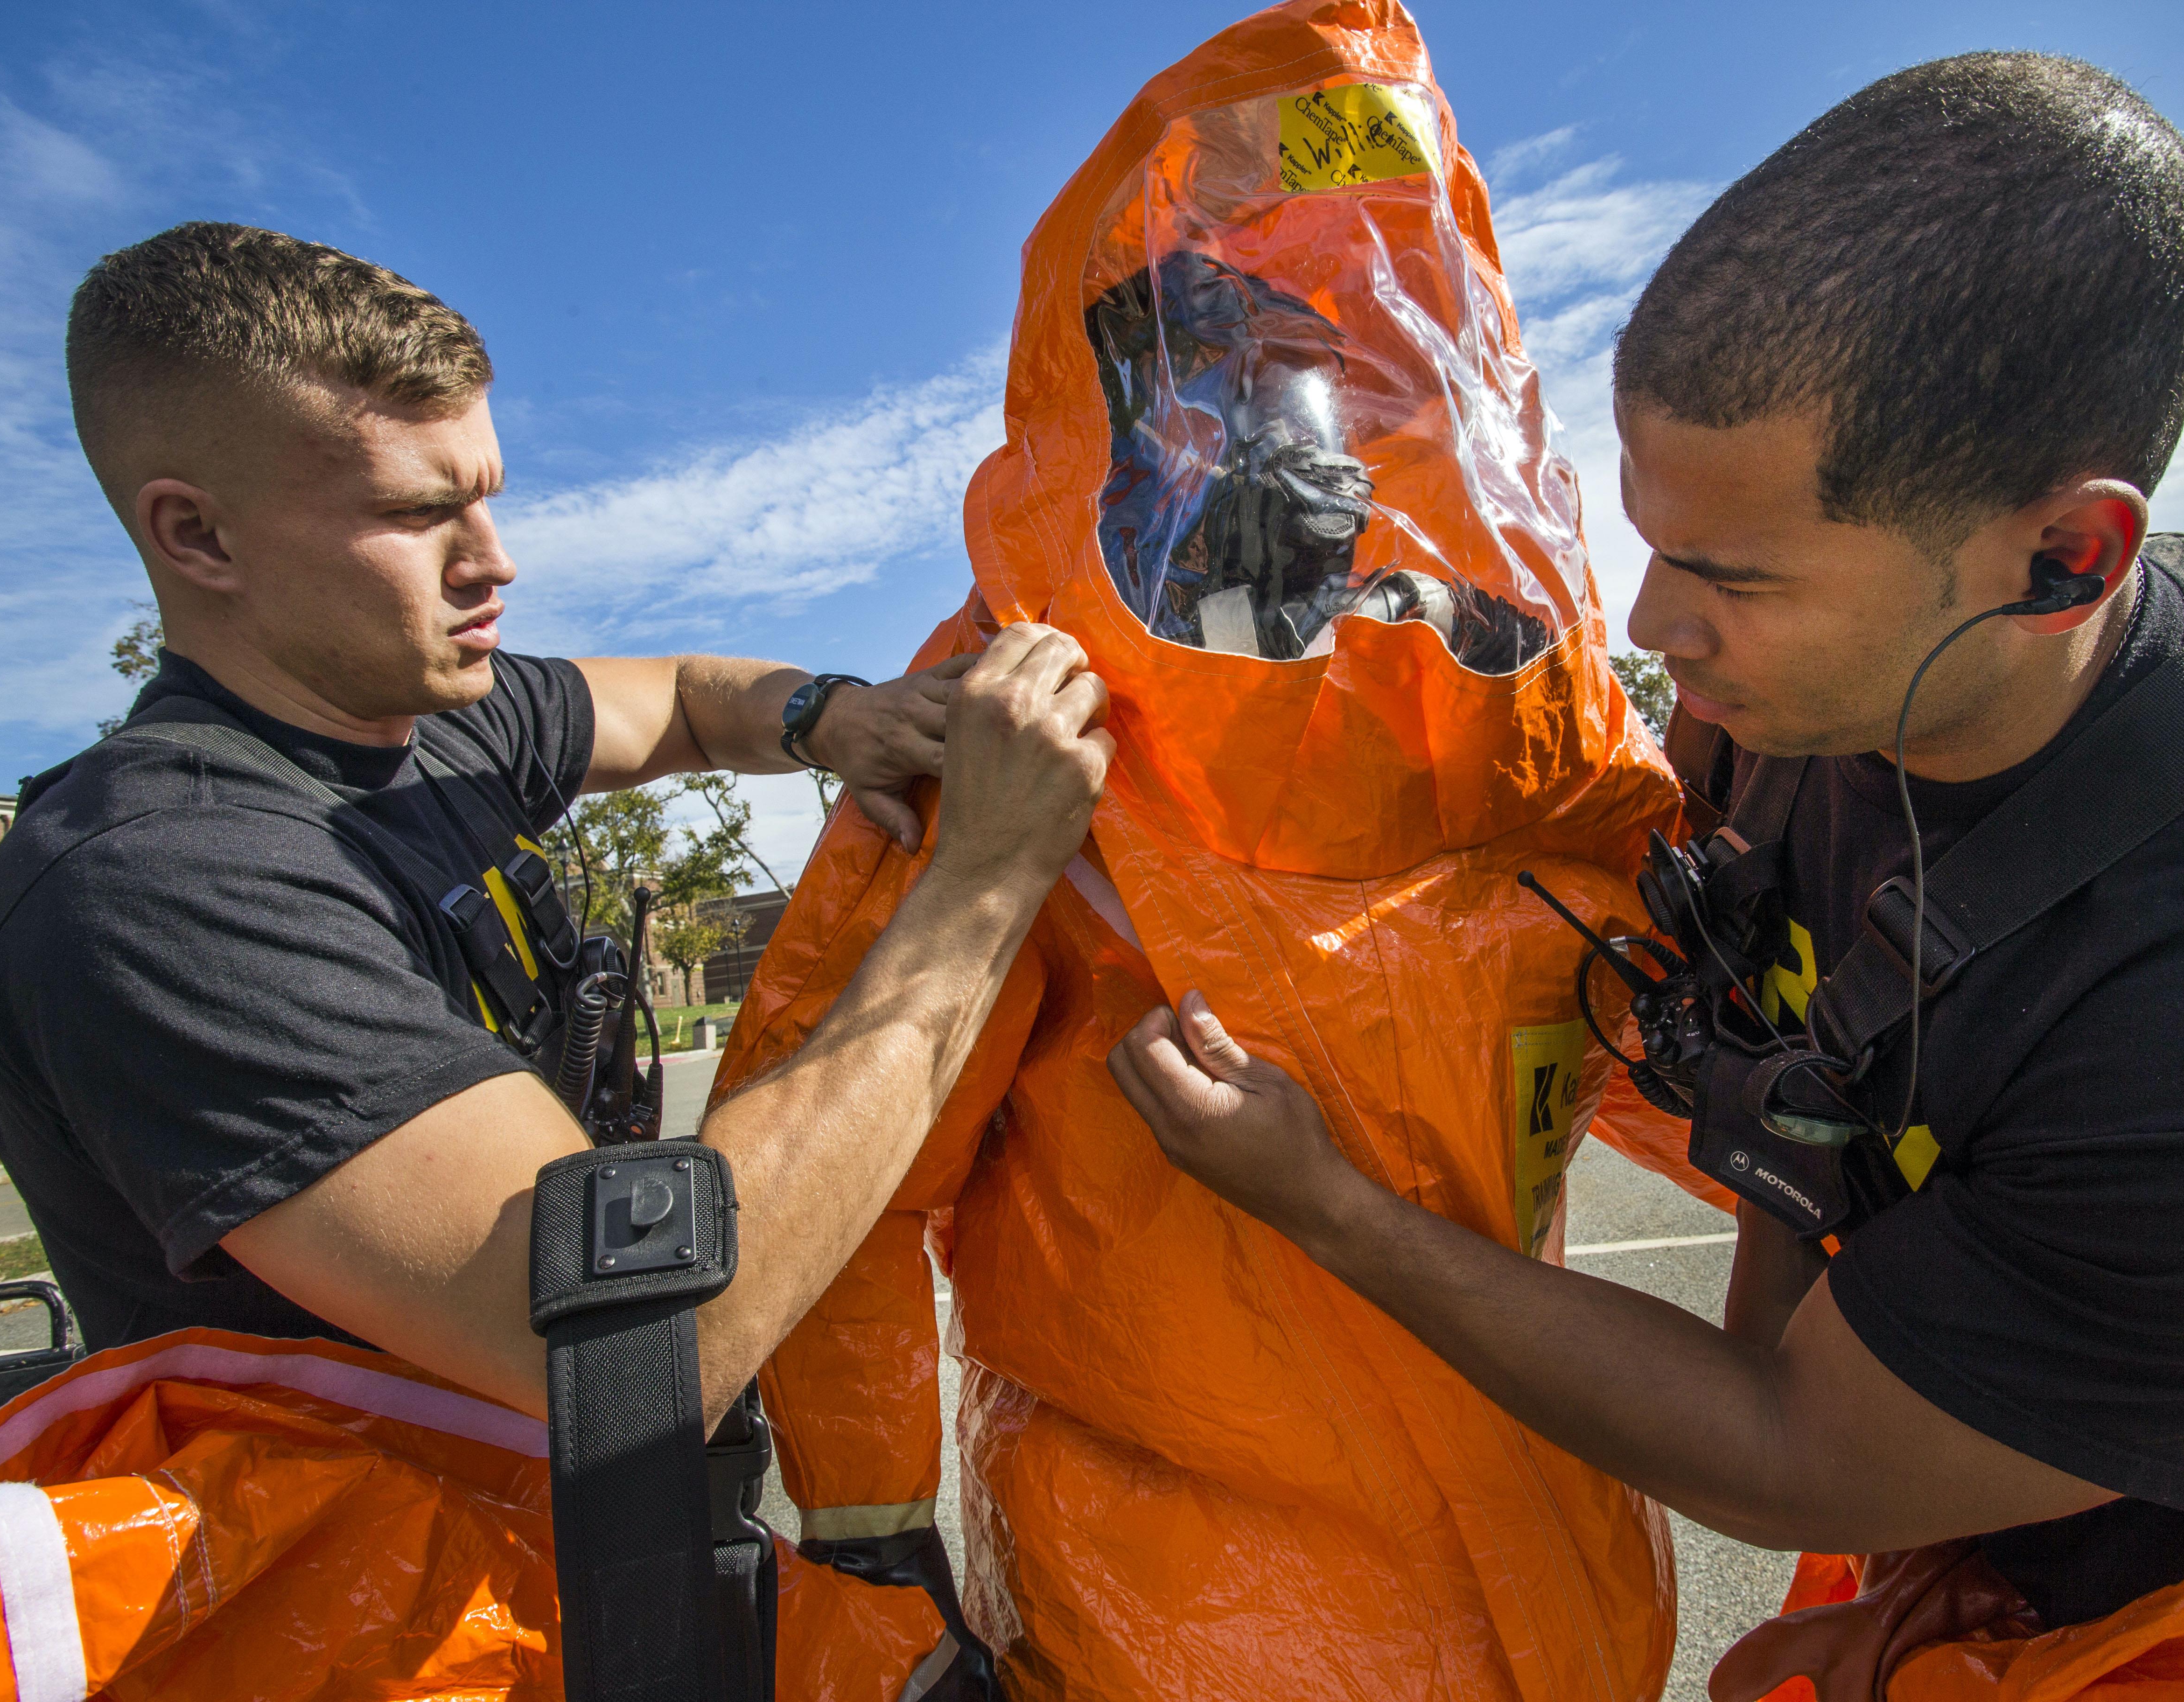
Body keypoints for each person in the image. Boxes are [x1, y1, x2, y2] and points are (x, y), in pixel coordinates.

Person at [1111, 52, 2184, 1699]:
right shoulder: (1837, 681)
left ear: (2067, 557)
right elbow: (1792, 1089)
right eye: (1652, 541)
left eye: (1733, 576)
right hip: (2006, 1478)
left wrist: (1334, 1208)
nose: (1660, 631)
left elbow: (1782, 1445)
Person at [702, 7, 1686, 1696]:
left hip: (1564, 1574)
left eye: (1326, 390)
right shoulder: (1031, 741)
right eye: (1229, 396)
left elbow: (1705, 1070)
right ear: (1138, 425)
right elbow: (833, 1169)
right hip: (1179, 1613)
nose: (1288, 449)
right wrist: (876, 1556)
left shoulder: (1519, 732)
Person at [0, 221, 1112, 1444]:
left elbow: (680, 701)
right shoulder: (161, 883)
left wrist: (836, 716)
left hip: (581, 1580)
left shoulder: (441, 716)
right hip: (386, 1613)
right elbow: (648, 1341)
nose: (494, 563)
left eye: (488, 498)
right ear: (197, 536)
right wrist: (985, 880)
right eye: (418, 514)